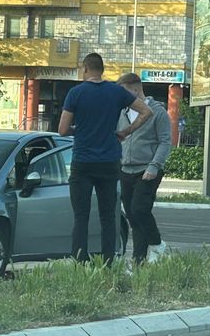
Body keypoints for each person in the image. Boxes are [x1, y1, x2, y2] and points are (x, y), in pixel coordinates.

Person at [58, 54, 154, 263]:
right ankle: (108, 263)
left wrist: (81, 130)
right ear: (102, 69)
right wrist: (126, 131)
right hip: (109, 162)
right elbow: (146, 111)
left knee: (81, 217)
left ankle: (80, 263)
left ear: (85, 69)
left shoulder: (75, 93)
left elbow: (63, 129)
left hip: (82, 162)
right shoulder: (117, 92)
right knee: (108, 216)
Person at [116, 73, 173, 266]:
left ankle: (157, 245)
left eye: (123, 92)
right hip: (125, 169)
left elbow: (165, 141)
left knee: (140, 209)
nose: (121, 97)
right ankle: (138, 260)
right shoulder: (122, 112)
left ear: (135, 89)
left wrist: (154, 166)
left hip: (147, 170)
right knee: (132, 216)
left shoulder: (157, 111)